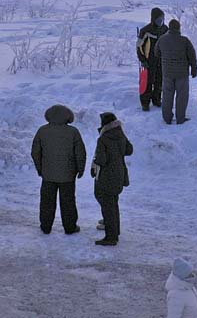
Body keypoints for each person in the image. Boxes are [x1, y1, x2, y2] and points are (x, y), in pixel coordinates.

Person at [31, 103, 86, 233]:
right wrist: (80, 169)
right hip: (68, 175)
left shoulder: (42, 131)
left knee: (47, 202)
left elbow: (35, 152)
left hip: (48, 174)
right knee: (68, 203)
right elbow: (80, 153)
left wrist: (40, 169)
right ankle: (70, 227)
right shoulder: (73, 132)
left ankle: (45, 226)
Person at [91, 111, 133, 246]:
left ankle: (111, 237)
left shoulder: (103, 138)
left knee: (107, 205)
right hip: (119, 174)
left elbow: (101, 160)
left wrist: (94, 165)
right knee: (113, 203)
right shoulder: (120, 134)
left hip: (106, 176)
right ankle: (115, 229)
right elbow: (129, 150)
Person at [154, 18, 197, 125]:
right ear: (178, 28)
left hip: (167, 73)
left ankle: (167, 118)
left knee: (167, 96)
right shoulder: (184, 40)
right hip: (182, 74)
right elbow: (192, 56)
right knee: (181, 96)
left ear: (169, 27)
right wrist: (194, 69)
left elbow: (156, 53)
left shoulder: (162, 39)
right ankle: (180, 118)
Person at [137, 8, 169, 112]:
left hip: (162, 60)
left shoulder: (165, 29)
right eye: (158, 19)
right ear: (153, 19)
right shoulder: (145, 31)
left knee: (159, 81)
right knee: (147, 82)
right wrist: (143, 60)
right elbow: (139, 47)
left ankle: (156, 99)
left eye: (162, 19)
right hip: (149, 60)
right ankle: (145, 103)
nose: (160, 21)